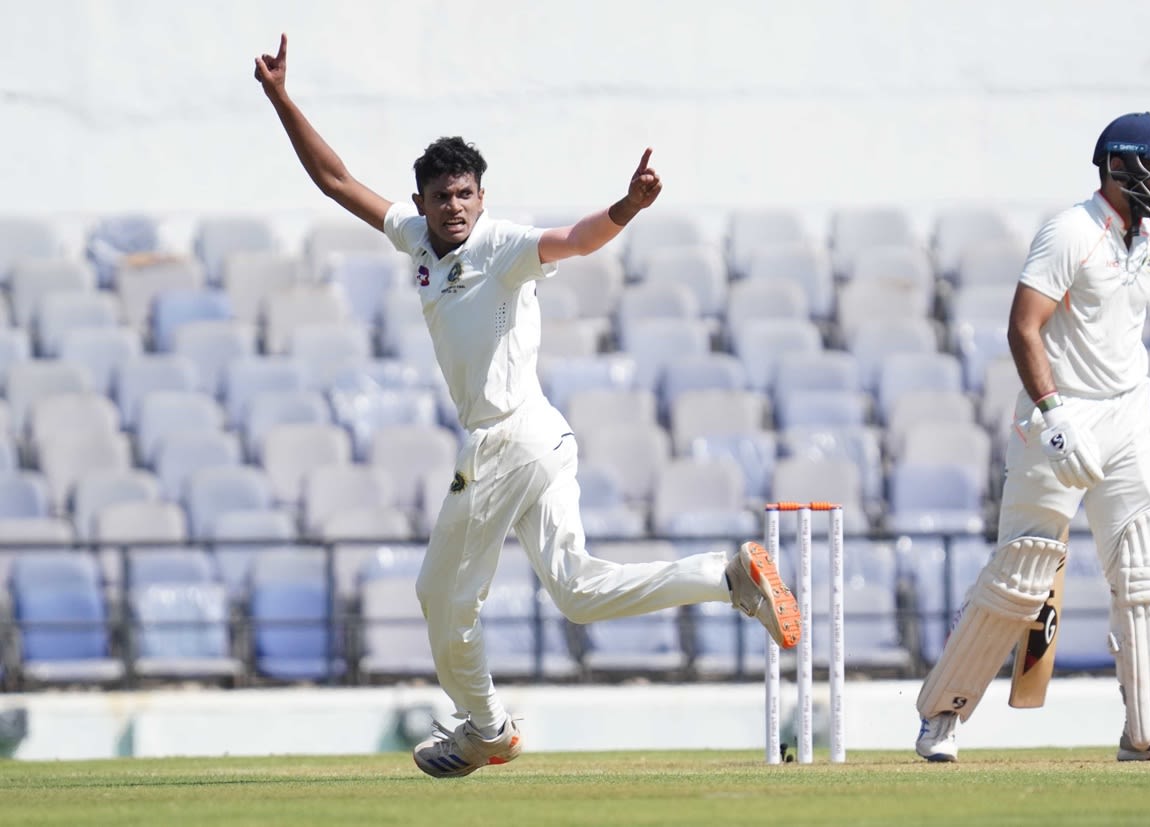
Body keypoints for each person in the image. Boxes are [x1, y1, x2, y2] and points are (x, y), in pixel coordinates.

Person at [252, 34, 801, 778]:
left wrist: (627, 207)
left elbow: (575, 239)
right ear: (422, 202)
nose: (454, 206)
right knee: (575, 590)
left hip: (508, 438)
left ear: (483, 196)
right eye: (442, 195)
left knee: (436, 593)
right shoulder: (415, 241)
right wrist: (283, 98)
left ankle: (485, 726)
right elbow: (336, 179)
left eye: (466, 193)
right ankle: (727, 574)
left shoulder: (503, 246)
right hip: (539, 436)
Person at [912, 112, 1150, 763]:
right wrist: (1053, 417)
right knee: (1023, 573)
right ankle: (942, 713)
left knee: (1149, 571)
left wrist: (1126, 414)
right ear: (1120, 166)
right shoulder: (1070, 230)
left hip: (1129, 420)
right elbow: (1024, 326)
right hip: (1061, 420)